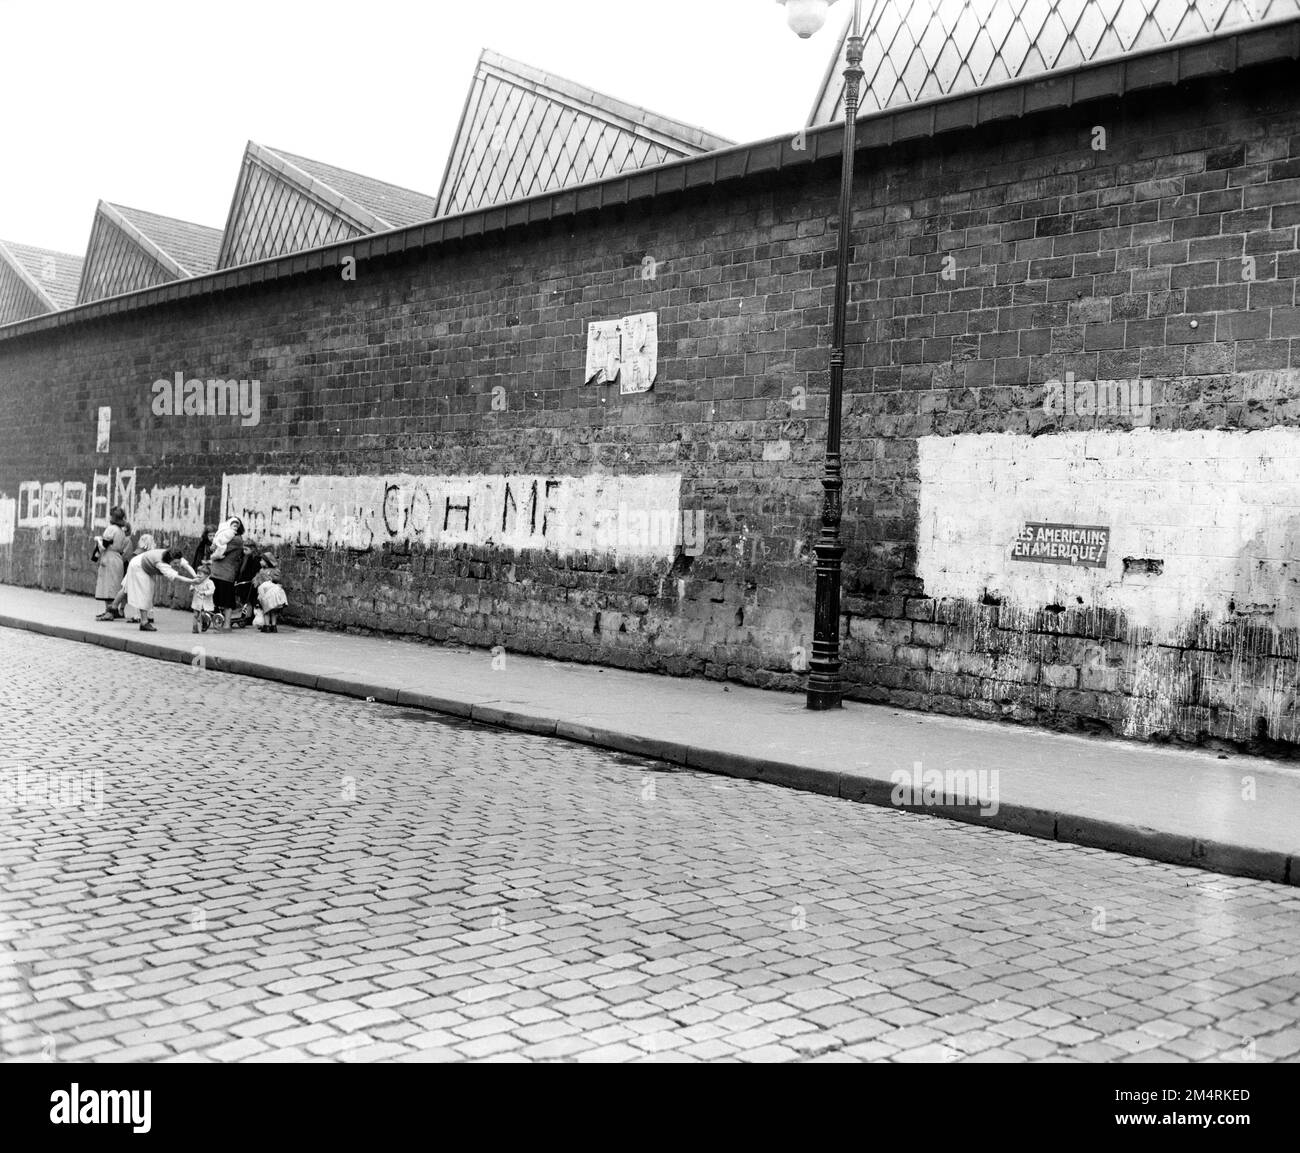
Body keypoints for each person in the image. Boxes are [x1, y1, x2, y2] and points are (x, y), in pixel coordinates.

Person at [123, 545, 198, 631]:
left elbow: (186, 565)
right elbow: (176, 576)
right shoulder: (161, 563)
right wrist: (192, 581)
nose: (177, 565)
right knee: (144, 593)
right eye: (175, 563)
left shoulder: (174, 556)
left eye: (178, 562)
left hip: (143, 563)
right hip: (138, 567)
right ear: (169, 561)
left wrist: (196, 577)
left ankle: (145, 619)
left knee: (149, 592)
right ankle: (144, 622)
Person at [207, 518, 248, 630]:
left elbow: (219, 549)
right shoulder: (225, 536)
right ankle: (217, 621)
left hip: (226, 573)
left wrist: (214, 547)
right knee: (215, 599)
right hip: (216, 572)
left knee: (227, 601)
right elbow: (214, 548)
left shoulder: (236, 540)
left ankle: (227, 624)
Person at [92, 506, 132, 620]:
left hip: (109, 558)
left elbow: (104, 545)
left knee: (107, 585)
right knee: (114, 585)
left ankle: (109, 611)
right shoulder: (121, 531)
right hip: (117, 558)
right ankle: (113, 610)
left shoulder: (111, 529)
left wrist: (98, 542)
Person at [108, 532, 154, 620]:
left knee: (125, 591)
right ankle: (116, 607)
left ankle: (114, 607)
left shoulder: (139, 552)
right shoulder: (147, 553)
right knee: (129, 592)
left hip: (134, 575)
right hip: (136, 576)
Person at [253, 556, 287, 632]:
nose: (260, 562)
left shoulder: (262, 571)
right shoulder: (275, 570)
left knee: (266, 611)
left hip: (265, 593)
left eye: (262, 560)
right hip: (273, 592)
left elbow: (259, 582)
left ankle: (267, 626)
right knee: (273, 611)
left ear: (267, 562)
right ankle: (274, 626)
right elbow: (278, 580)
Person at [190, 563, 216, 632]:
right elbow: (192, 586)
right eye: (197, 573)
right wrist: (192, 587)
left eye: (200, 574)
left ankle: (205, 623)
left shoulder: (209, 582)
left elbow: (212, 590)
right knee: (195, 614)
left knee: (203, 614)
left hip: (205, 602)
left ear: (206, 575)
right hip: (197, 600)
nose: (198, 575)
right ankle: (194, 627)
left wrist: (204, 593)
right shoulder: (196, 581)